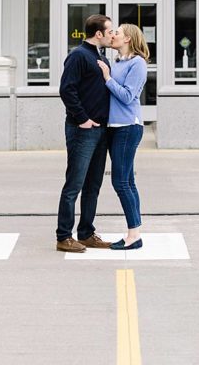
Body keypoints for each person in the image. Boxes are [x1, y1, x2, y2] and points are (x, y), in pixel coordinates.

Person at [55, 13, 116, 253]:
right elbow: (66, 89)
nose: (113, 35)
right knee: (74, 184)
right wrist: (82, 119)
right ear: (98, 33)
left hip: (101, 130)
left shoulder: (101, 57)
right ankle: (63, 236)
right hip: (83, 130)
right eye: (110, 31)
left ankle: (87, 233)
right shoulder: (78, 55)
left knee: (93, 185)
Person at [98, 23, 149, 250]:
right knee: (128, 181)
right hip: (115, 127)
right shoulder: (118, 61)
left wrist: (107, 78)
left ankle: (133, 236)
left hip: (128, 127)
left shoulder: (137, 63)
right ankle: (135, 231)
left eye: (117, 32)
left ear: (128, 38)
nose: (113, 35)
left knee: (120, 181)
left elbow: (128, 97)